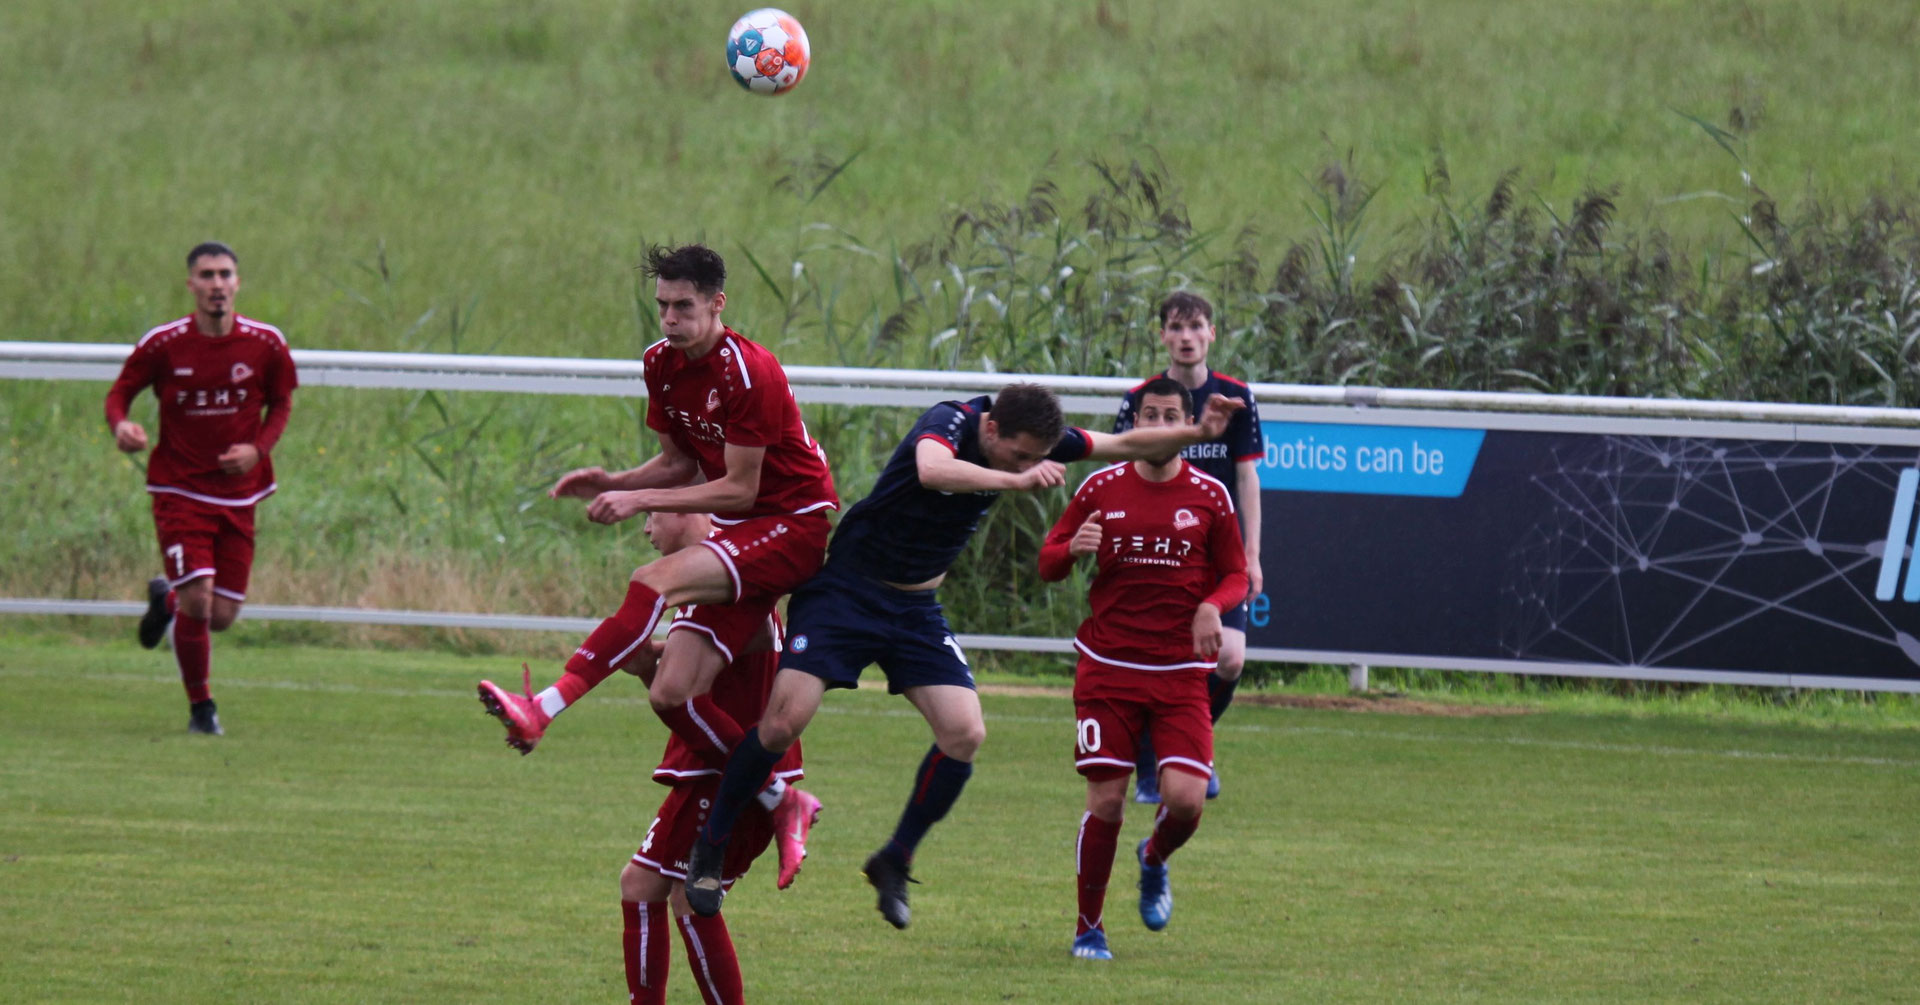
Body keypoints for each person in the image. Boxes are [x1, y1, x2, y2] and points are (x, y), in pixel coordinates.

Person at [681, 382, 1243, 929]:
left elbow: (1125, 444)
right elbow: (931, 469)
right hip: (847, 594)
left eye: (1036, 459)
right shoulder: (949, 420)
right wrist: (1014, 478)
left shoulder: (1031, 442)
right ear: (992, 428)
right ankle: (713, 843)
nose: (1028, 465)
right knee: (781, 723)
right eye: (1020, 455)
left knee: (965, 733)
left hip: (915, 610)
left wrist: (1199, 431)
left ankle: (895, 859)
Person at [476, 244, 837, 775]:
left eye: (683, 306)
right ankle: (779, 799)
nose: (670, 318)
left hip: (794, 527)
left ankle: (542, 709)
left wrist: (638, 499)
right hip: (745, 531)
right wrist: (615, 480)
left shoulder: (748, 370)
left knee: (651, 580)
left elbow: (738, 490)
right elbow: (680, 462)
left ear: (718, 304)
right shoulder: (660, 363)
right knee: (671, 694)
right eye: (663, 305)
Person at [1038, 377, 1249, 960]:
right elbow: (1048, 563)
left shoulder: (1210, 495)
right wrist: (1070, 550)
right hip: (1108, 668)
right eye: (1148, 415)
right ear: (1131, 424)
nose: (1158, 426)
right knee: (1105, 801)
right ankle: (1089, 928)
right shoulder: (1101, 486)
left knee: (1185, 802)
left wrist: (1212, 605)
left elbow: (1236, 575)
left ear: (1186, 426)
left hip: (1182, 672)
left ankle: (1153, 856)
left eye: (1169, 416)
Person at [617, 510, 822, 1005]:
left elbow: (684, 691)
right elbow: (710, 668)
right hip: (727, 769)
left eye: (651, 515)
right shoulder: (730, 569)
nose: (647, 530)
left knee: (664, 889)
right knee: (665, 890)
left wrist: (654, 661)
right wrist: (652, 661)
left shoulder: (721, 583)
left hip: (726, 774)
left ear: (687, 511)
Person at [104, 241, 298, 735]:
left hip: (240, 494)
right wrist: (121, 426)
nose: (217, 284)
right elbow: (120, 393)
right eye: (206, 275)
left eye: (225, 274)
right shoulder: (165, 344)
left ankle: (164, 599)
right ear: (191, 284)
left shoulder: (265, 343)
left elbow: (280, 404)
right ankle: (202, 709)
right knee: (199, 600)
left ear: (238, 283)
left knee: (223, 614)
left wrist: (257, 449)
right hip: (179, 489)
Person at [1112, 291, 1263, 802]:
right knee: (1156, 663)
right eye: (1175, 327)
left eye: (1195, 326)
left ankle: (1189, 747)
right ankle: (1154, 765)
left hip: (1218, 553)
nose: (1185, 336)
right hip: (1159, 552)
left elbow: (1248, 478)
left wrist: (1253, 555)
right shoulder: (1144, 398)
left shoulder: (1236, 397)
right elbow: (1120, 469)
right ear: (1163, 336)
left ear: (1211, 333)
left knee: (1231, 661)